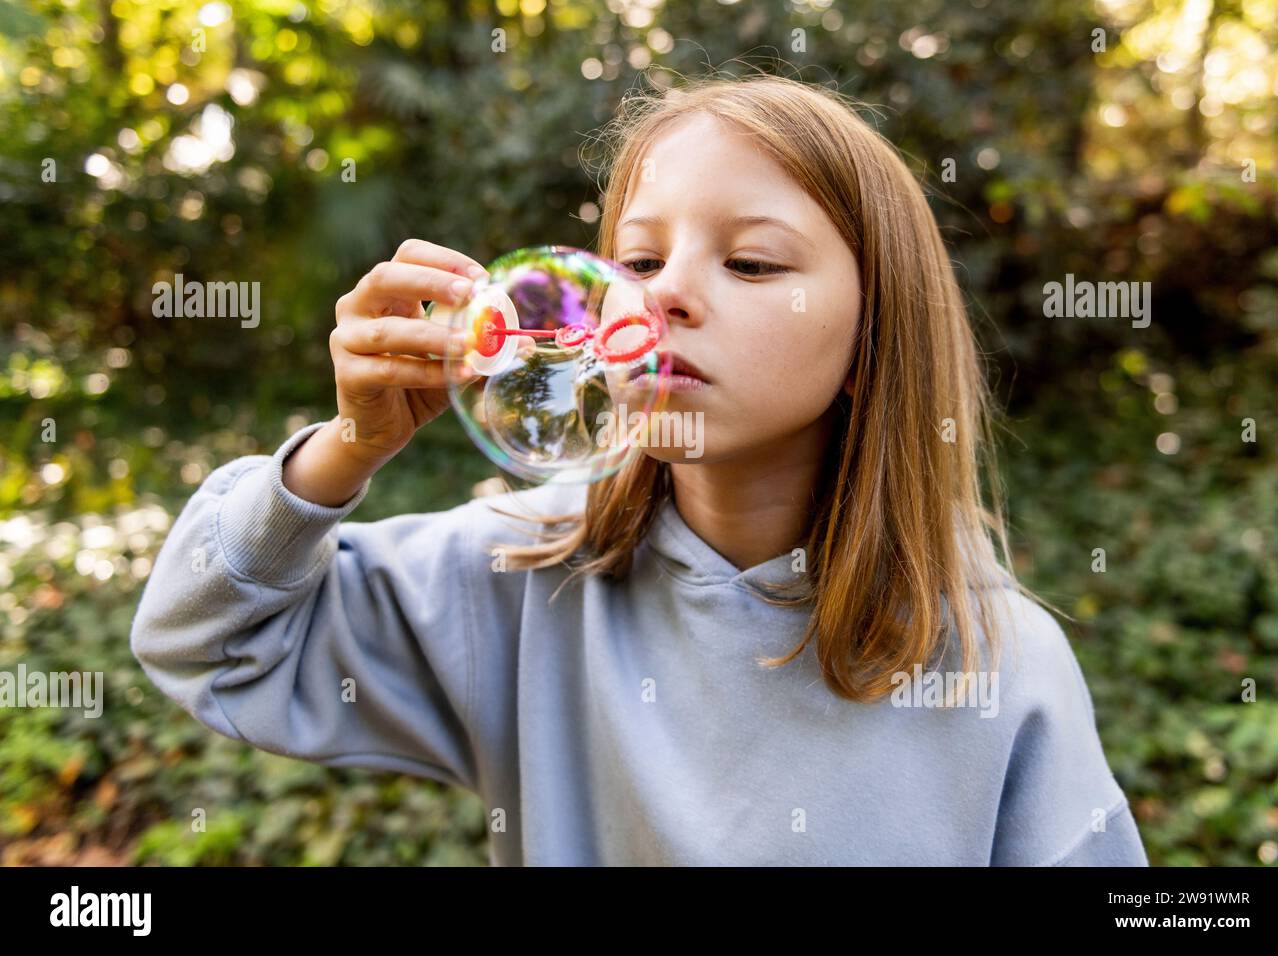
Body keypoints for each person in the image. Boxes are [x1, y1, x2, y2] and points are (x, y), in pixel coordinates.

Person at [130, 74, 1148, 866]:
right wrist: (342, 450)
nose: (665, 298)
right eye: (640, 260)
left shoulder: (997, 659)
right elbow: (208, 646)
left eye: (749, 263)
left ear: (875, 335)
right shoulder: (526, 575)